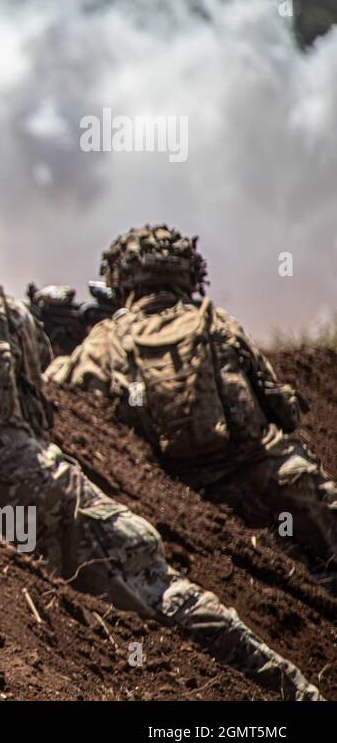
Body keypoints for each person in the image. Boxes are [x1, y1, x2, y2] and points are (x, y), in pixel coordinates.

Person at [0, 180, 319, 699]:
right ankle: (295, 690)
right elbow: (39, 405)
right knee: (152, 576)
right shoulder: (4, 307)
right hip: (27, 475)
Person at [46, 224, 336, 580]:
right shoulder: (217, 323)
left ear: (120, 278)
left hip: (200, 504)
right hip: (280, 480)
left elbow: (60, 396)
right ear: (189, 274)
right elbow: (285, 413)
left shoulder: (105, 342)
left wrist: (59, 345)